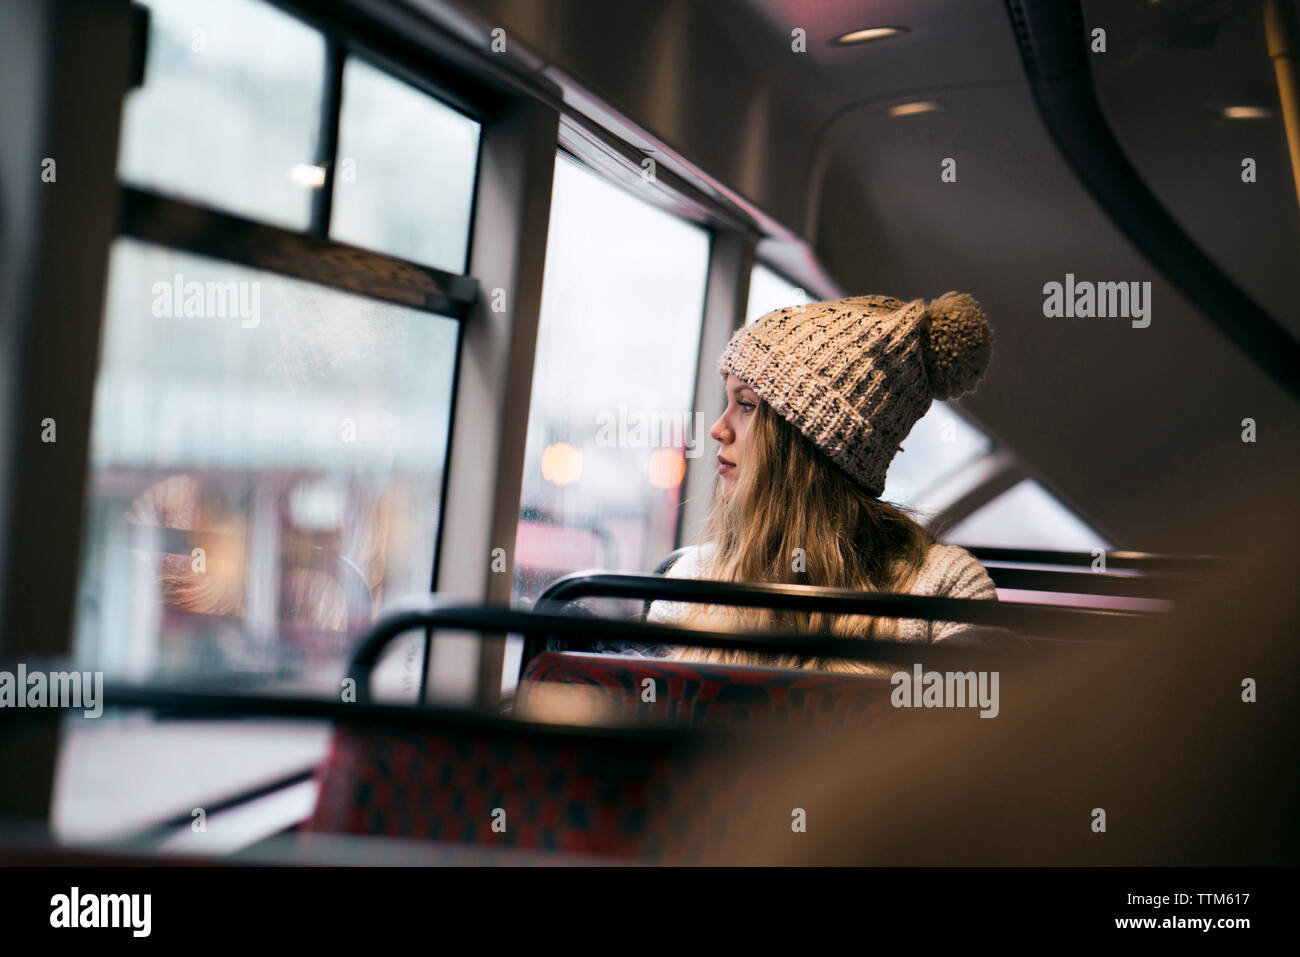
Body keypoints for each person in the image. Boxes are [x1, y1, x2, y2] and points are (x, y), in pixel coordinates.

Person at [646, 291, 1003, 672]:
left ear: (809, 443)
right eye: (728, 402)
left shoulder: (943, 586)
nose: (718, 429)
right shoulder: (692, 579)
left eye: (746, 405)